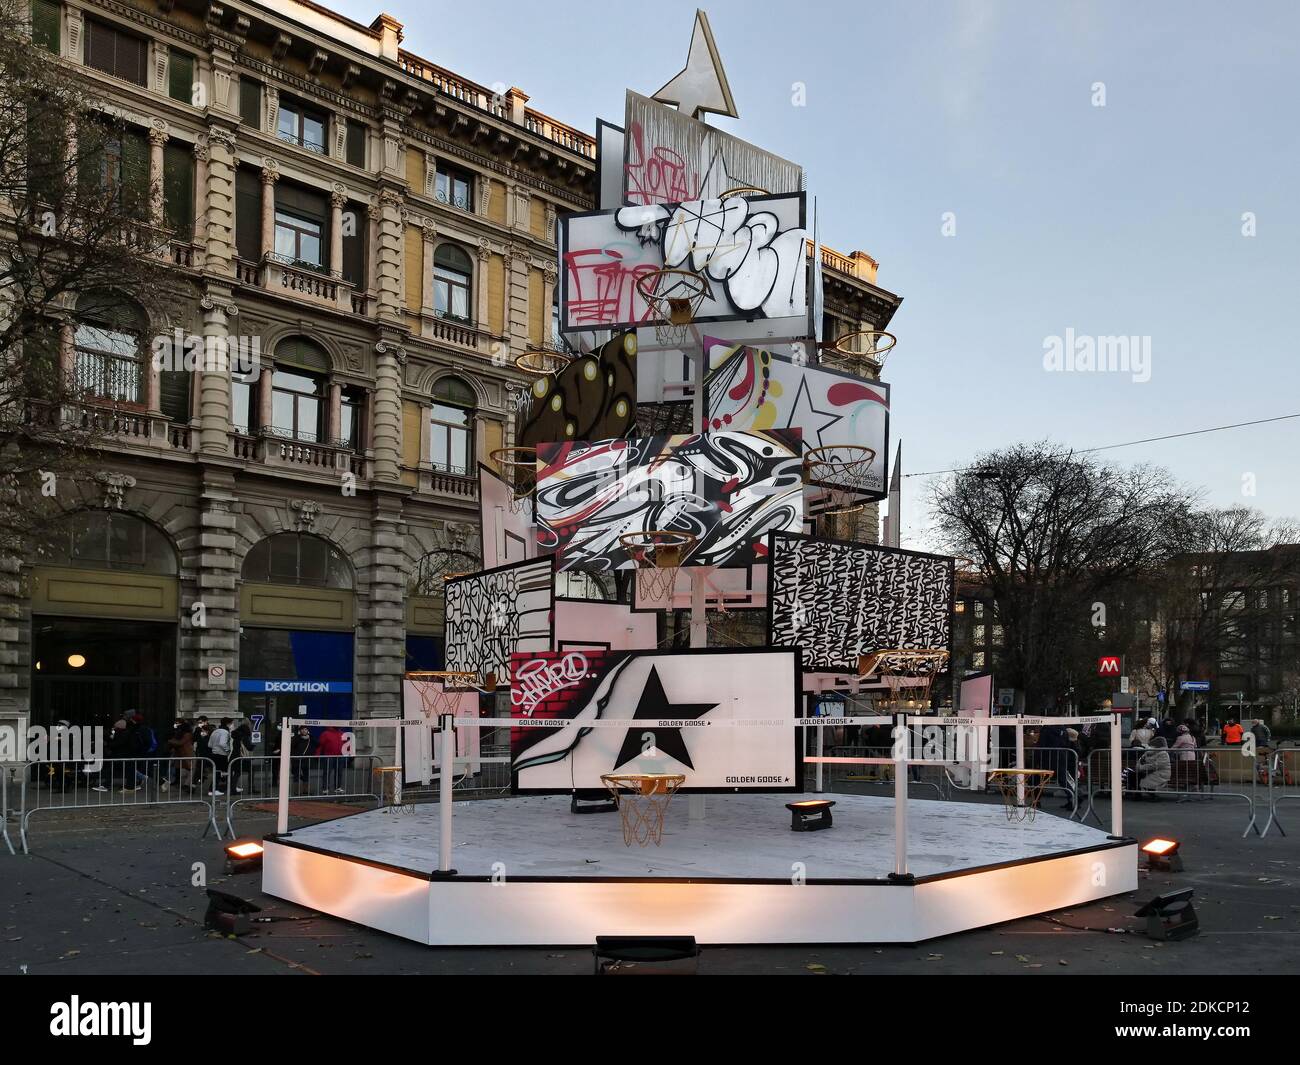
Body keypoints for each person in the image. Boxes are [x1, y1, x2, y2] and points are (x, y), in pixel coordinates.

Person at [164, 720, 195, 792]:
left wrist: (170, 741)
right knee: (184, 769)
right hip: (182, 754)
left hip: (187, 754)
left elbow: (180, 743)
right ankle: (184, 784)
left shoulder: (186, 734)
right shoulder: (181, 734)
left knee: (190, 769)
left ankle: (187, 784)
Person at [316, 725, 346, 793]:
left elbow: (345, 745)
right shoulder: (325, 733)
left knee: (339, 772)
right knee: (327, 772)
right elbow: (321, 745)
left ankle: (338, 787)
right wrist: (317, 754)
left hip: (340, 756)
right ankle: (325, 788)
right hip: (329, 756)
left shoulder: (342, 733)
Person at [227, 717, 254, 794]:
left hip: (234, 756)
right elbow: (249, 747)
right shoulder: (244, 737)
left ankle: (232, 789)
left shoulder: (236, 736)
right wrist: (253, 746)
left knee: (236, 773)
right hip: (241, 757)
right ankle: (251, 789)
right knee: (250, 771)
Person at [207, 717, 232, 797]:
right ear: (228, 723)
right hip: (221, 754)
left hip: (214, 753)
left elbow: (209, 744)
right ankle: (214, 789)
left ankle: (216, 788)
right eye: (231, 723)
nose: (232, 725)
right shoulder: (225, 732)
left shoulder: (215, 731)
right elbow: (222, 743)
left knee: (219, 772)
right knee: (222, 772)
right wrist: (228, 750)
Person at [290, 726, 314, 793]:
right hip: (297, 759)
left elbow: (317, 743)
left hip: (305, 759)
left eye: (305, 729)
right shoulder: (296, 738)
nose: (304, 731)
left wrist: (310, 736)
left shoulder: (310, 738)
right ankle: (296, 791)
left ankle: (306, 790)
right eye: (302, 729)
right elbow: (292, 747)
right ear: (300, 731)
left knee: (306, 774)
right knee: (296, 775)